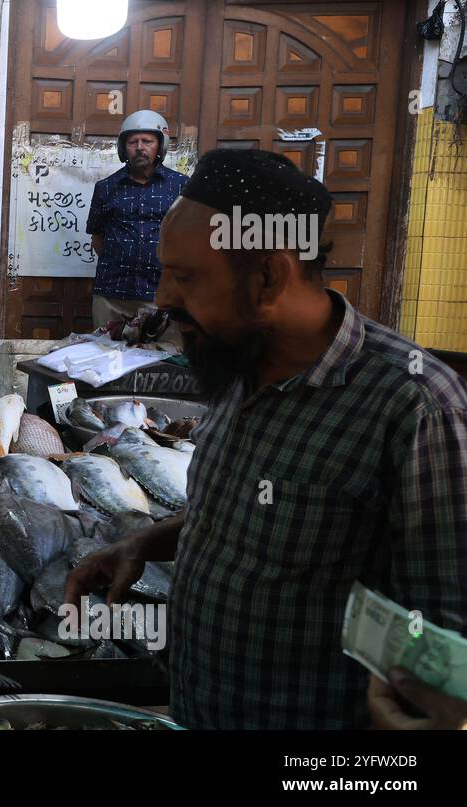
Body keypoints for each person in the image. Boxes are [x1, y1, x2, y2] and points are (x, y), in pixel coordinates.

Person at [65, 149, 467, 729]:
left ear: (269, 275)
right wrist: (147, 543)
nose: (164, 298)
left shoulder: (415, 406)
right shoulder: (235, 361)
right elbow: (266, 514)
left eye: (185, 276)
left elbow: (448, 632)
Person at [85, 110, 189, 329]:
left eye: (147, 141)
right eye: (133, 141)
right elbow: (98, 240)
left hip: (161, 295)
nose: (140, 147)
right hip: (112, 295)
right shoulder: (105, 188)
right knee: (106, 357)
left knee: (162, 360)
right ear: (124, 147)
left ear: (160, 145)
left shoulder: (182, 186)